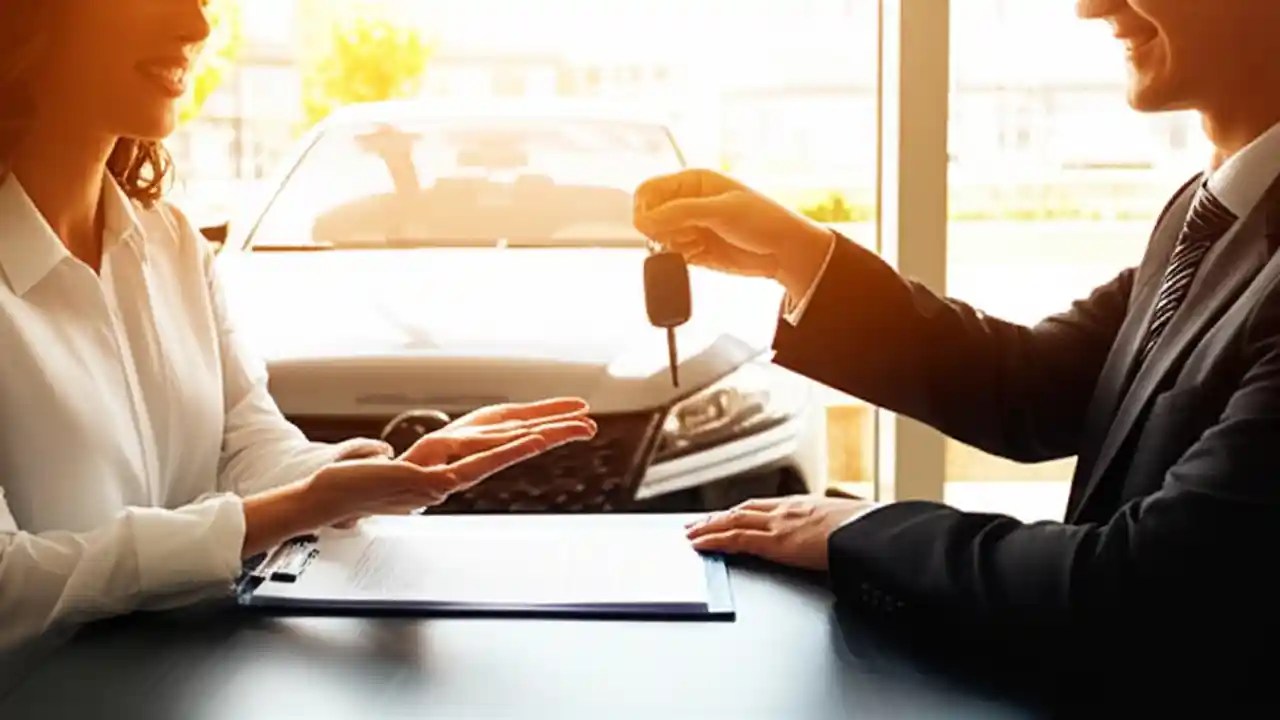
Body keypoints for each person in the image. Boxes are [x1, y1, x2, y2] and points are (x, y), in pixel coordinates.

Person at [636, 0, 1280, 689]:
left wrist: (856, 532)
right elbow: (1030, 386)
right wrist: (795, 255)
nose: (1093, 7)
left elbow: (1141, 583)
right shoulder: (1209, 207)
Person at [0, 0, 596, 650]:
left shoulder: (172, 244)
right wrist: (299, 507)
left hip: (186, 684)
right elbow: (10, 583)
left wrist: (369, 475)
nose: (196, 28)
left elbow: (246, 444)